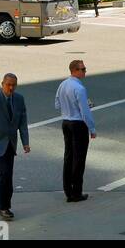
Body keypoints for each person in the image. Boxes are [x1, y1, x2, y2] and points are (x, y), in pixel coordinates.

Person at [0, 73, 30, 221]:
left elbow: (22, 123)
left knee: (6, 175)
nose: (11, 88)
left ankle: (0, 205)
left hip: (10, 144)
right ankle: (4, 207)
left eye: (13, 85)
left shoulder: (19, 100)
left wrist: (25, 142)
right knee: (5, 174)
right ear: (2, 84)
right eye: (8, 84)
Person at [55, 60, 96, 203]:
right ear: (75, 70)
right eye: (83, 69)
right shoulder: (79, 88)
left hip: (66, 122)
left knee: (68, 156)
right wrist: (92, 128)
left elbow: (57, 103)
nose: (85, 71)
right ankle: (76, 192)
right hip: (78, 124)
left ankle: (68, 190)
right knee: (79, 159)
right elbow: (85, 112)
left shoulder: (63, 84)